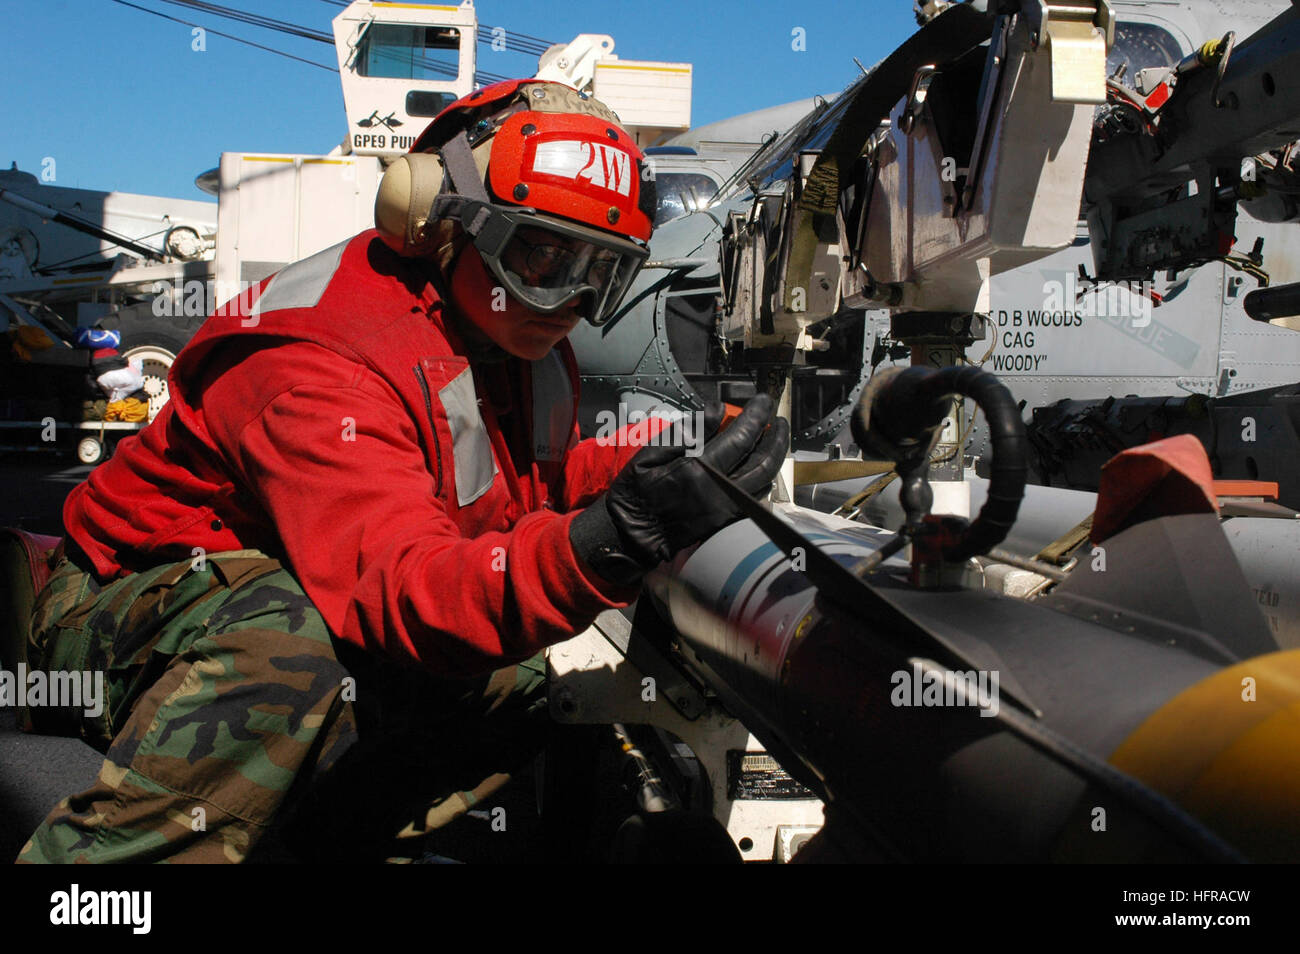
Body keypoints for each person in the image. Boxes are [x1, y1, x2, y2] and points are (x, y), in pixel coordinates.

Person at [17, 79, 788, 863]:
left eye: (603, 269)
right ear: (440, 221)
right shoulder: (320, 362)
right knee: (295, 647)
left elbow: (528, 486)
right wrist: (616, 540)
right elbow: (404, 591)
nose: (570, 299)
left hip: (277, 592)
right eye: (543, 254)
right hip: (119, 610)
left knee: (536, 685)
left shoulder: (513, 336)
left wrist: (664, 465)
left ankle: (307, 840)